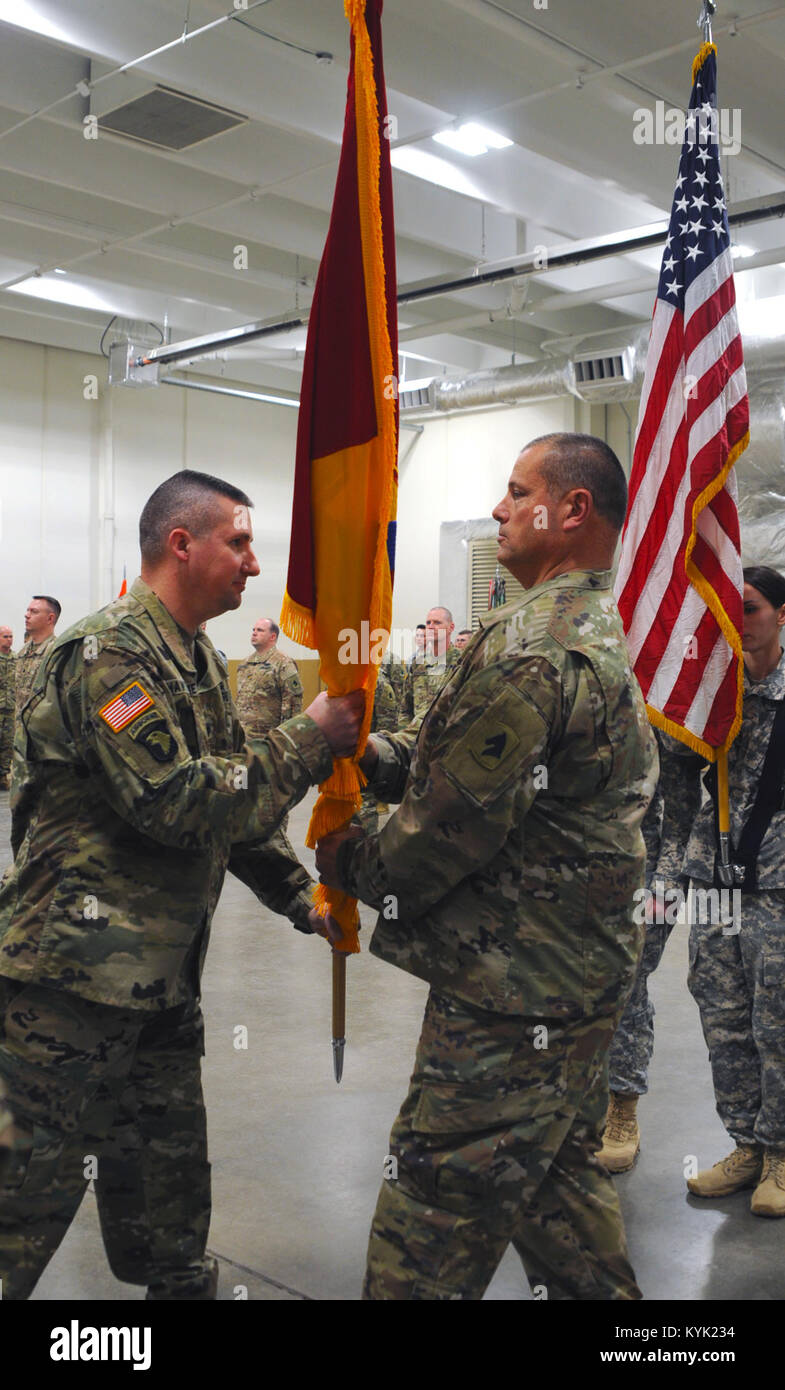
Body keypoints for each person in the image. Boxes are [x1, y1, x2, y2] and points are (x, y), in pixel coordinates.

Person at [0, 469, 362, 1301]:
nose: (252, 564)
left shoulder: (195, 655)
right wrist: (307, 740)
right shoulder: (108, 656)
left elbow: (231, 804)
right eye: (239, 543)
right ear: (181, 543)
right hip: (68, 986)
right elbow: (179, 800)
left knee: (167, 1202)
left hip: (158, 983)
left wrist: (299, 897)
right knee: (20, 1203)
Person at [316, 432, 658, 1300]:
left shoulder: (536, 643)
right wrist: (377, 754)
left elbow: (443, 829)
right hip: (569, 975)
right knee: (555, 1190)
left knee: (431, 1209)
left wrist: (349, 855)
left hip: (514, 989)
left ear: (572, 510)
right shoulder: (578, 623)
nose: (500, 510)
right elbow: (474, 762)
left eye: (515, 491)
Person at [683, 564, 785, 1216]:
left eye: (747, 608)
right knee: (721, 1016)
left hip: (778, 877)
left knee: (775, 1019)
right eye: (728, 607)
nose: (736, 619)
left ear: (780, 615)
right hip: (711, 873)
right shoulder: (710, 693)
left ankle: (780, 1154)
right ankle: (745, 1143)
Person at [598, 732, 702, 1171]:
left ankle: (622, 1109)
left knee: (627, 985)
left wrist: (667, 887)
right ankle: (574, 1105)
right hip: (568, 871)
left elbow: (681, 813)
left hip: (641, 875)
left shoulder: (658, 707)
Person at [236, 618, 303, 738]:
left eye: (260, 630)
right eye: (254, 630)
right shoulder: (244, 664)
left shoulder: (283, 663)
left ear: (272, 637)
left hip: (268, 740)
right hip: (243, 739)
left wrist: (286, 737)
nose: (254, 633)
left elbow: (293, 702)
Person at [401, 606, 462, 723]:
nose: (430, 626)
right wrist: (406, 732)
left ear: (451, 627)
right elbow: (405, 707)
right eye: (428, 622)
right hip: (416, 735)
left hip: (447, 736)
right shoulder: (418, 663)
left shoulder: (462, 661)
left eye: (437, 623)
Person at [15, 596, 60, 715]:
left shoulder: (57, 653)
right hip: (20, 729)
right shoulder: (22, 652)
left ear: (50, 618)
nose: (27, 615)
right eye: (28, 610)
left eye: (34, 612)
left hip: (44, 730)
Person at [0, 626, 14, 791]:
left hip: (10, 708)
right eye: (5, 636)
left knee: (8, 744)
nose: (9, 639)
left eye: (11, 636)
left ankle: (3, 776)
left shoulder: (16, 658)